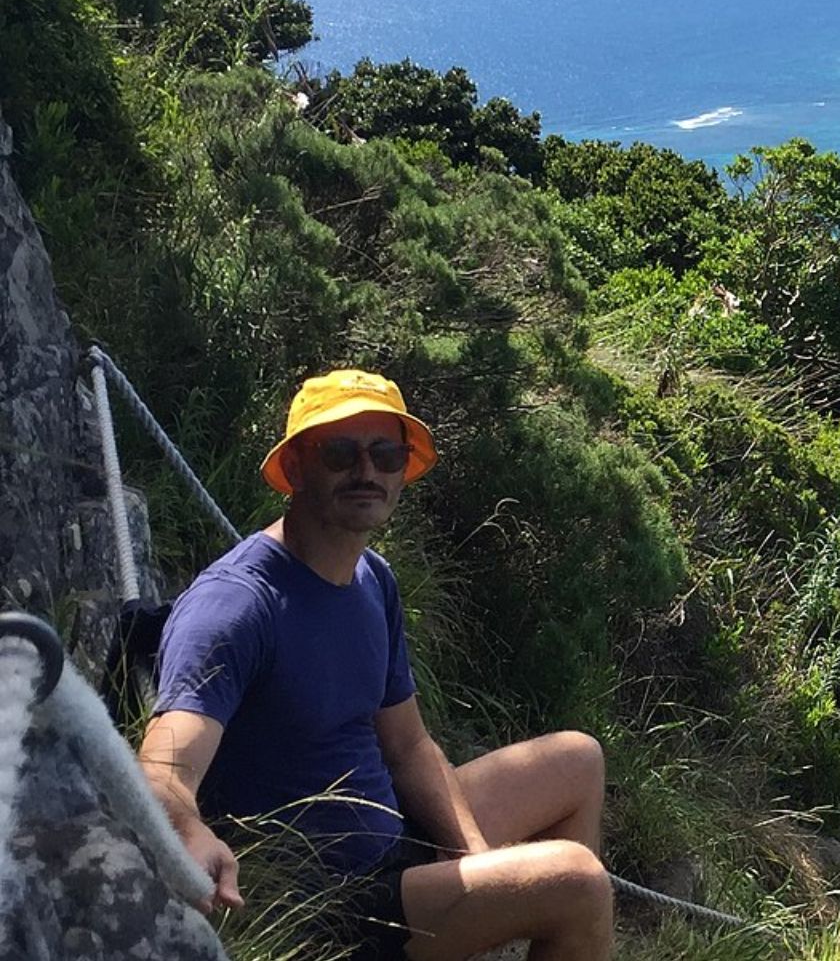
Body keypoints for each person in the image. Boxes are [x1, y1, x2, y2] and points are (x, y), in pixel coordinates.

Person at [137, 370, 615, 961]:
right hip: (330, 906)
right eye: (340, 452)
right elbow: (161, 768)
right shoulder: (235, 606)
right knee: (577, 881)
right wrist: (187, 829)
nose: (366, 471)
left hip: (389, 841)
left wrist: (474, 858)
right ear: (295, 469)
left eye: (386, 453)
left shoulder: (372, 579)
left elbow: (408, 748)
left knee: (577, 759)